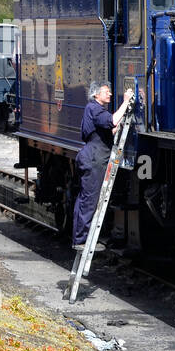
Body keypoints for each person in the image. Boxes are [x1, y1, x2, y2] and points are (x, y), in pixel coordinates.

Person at [72, 81, 134, 252]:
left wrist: (121, 123)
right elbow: (112, 121)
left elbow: (108, 129)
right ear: (96, 94)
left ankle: (81, 238)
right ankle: (81, 240)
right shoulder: (94, 108)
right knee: (90, 200)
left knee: (87, 198)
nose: (110, 94)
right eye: (106, 91)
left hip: (94, 156)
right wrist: (126, 102)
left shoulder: (95, 110)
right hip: (94, 158)